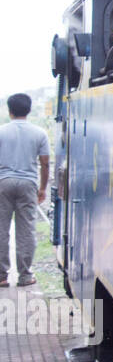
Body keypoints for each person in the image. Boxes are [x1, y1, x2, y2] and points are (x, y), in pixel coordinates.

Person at [0, 93, 50, 288]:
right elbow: (44, 164)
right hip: (28, 183)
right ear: (28, 110)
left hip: (3, 181)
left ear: (9, 111)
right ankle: (25, 276)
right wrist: (43, 188)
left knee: (1, 229)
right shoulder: (40, 133)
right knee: (26, 230)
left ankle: (2, 276)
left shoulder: (1, 131)